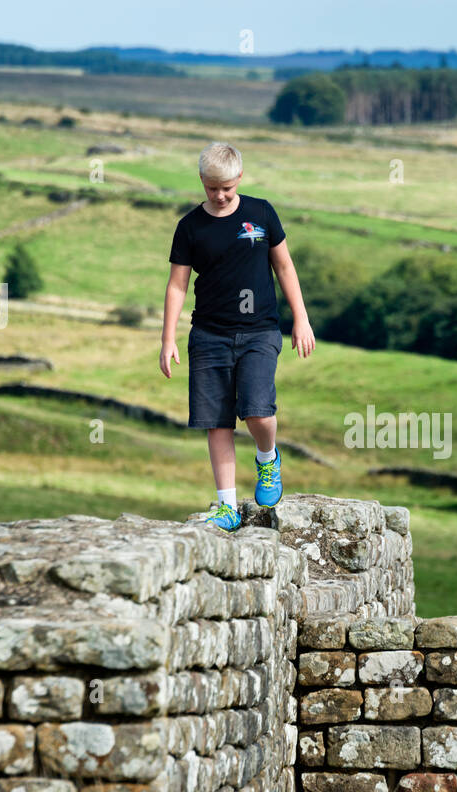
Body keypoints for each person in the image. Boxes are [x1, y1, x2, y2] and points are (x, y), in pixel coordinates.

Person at [159, 142, 315, 531]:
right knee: (218, 422)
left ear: (240, 178)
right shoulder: (190, 227)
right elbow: (177, 285)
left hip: (260, 331)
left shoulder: (261, 212)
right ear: (202, 182)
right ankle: (226, 506)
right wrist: (168, 338)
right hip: (209, 335)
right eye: (212, 188)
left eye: (227, 187)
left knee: (258, 411)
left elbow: (284, 266)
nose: (220, 194)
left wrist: (302, 319)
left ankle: (267, 459)